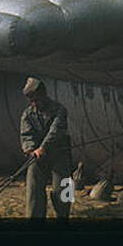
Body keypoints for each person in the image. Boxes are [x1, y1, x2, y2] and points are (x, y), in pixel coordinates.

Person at [19, 77, 73, 220]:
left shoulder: (59, 110)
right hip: (37, 156)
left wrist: (43, 147)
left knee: (64, 189)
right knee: (33, 189)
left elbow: (55, 132)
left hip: (60, 154)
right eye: (31, 101)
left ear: (43, 95)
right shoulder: (27, 114)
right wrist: (31, 150)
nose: (34, 103)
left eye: (36, 99)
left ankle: (63, 217)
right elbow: (26, 135)